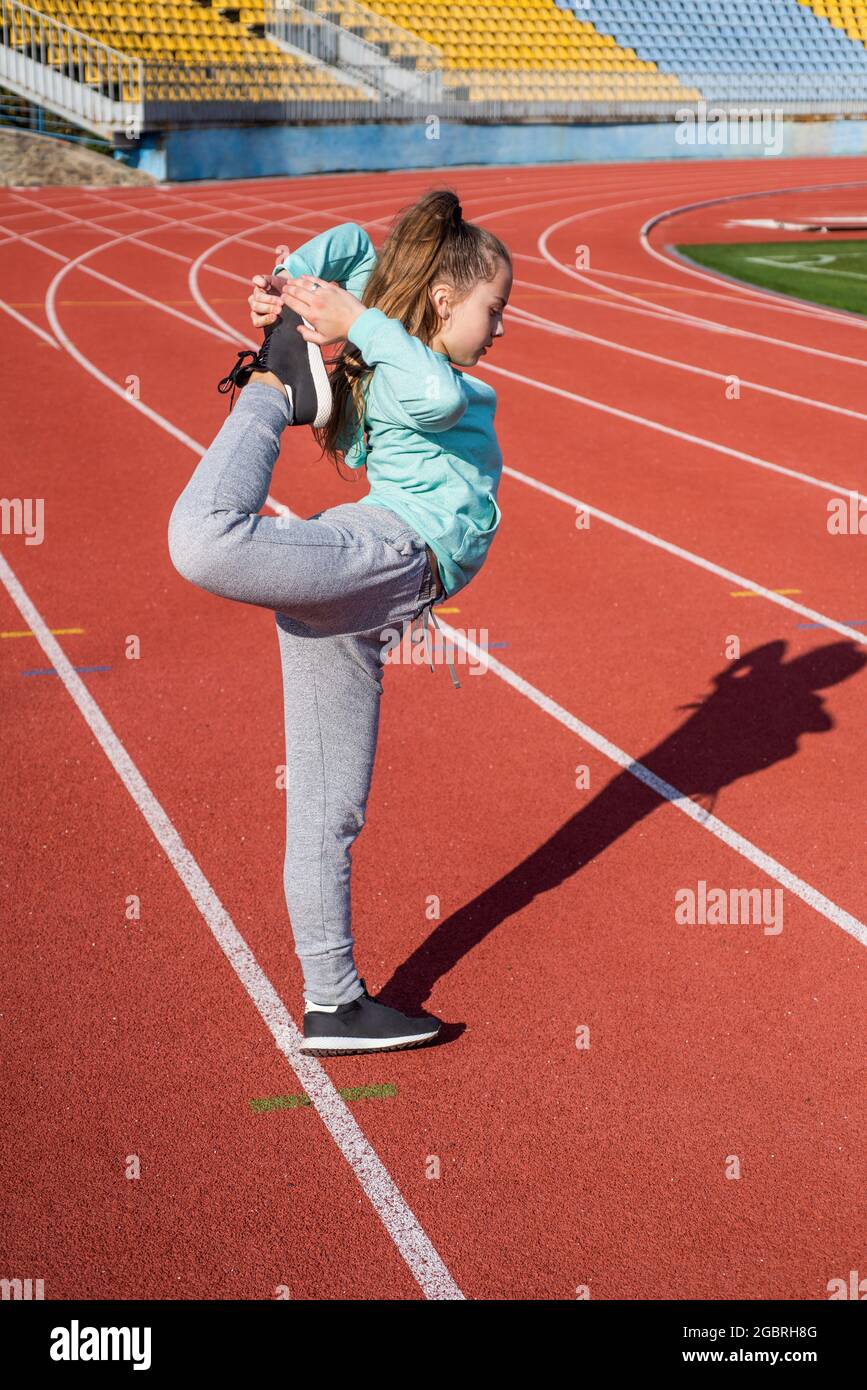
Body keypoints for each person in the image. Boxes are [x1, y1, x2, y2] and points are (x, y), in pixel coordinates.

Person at [167, 188, 512, 1055]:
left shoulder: (402, 361)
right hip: (384, 552)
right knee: (206, 544)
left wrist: (292, 286)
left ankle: (333, 1002)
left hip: (351, 607)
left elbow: (356, 246)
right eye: (493, 309)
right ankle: (277, 392)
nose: (502, 328)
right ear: (443, 301)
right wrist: (310, 330)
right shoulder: (423, 372)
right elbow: (429, 394)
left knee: (325, 811)